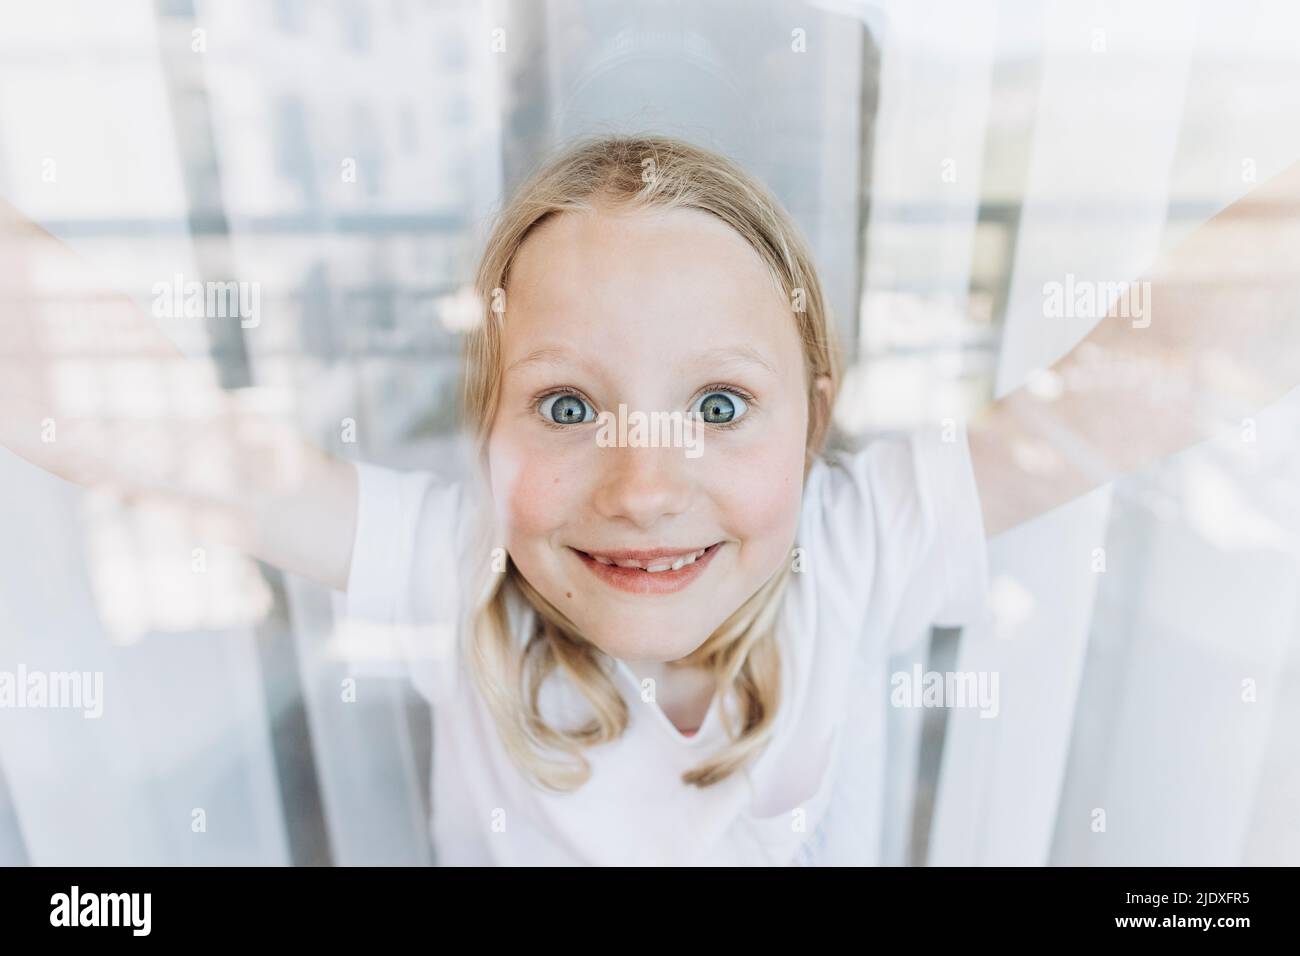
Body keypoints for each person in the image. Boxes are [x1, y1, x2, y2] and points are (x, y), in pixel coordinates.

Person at [2, 134, 1298, 864]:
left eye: (720, 408)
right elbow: (165, 442)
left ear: (814, 419)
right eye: (568, 408)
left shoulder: (854, 545)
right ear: (489, 429)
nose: (642, 486)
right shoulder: (461, 556)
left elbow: (1141, 378)